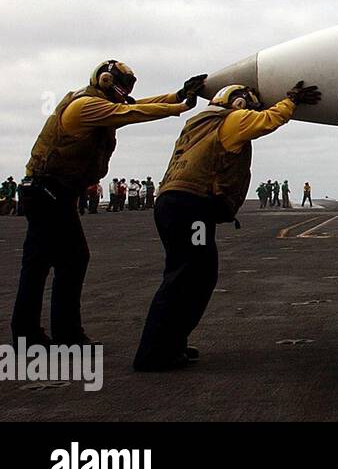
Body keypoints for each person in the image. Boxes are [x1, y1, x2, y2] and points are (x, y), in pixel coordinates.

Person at [13, 61, 205, 346]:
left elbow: (133, 105)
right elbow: (131, 112)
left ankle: (30, 334)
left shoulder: (95, 101)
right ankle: (63, 335)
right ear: (105, 81)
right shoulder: (86, 107)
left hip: (48, 193)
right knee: (71, 260)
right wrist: (179, 107)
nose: (124, 93)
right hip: (50, 194)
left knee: (40, 264)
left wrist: (176, 96)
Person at [134, 81, 321, 371]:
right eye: (249, 102)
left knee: (190, 276)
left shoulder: (198, 123)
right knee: (188, 278)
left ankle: (171, 344)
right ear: (238, 102)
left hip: (173, 204)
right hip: (190, 206)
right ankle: (155, 354)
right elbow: (268, 121)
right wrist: (291, 101)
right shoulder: (232, 120)